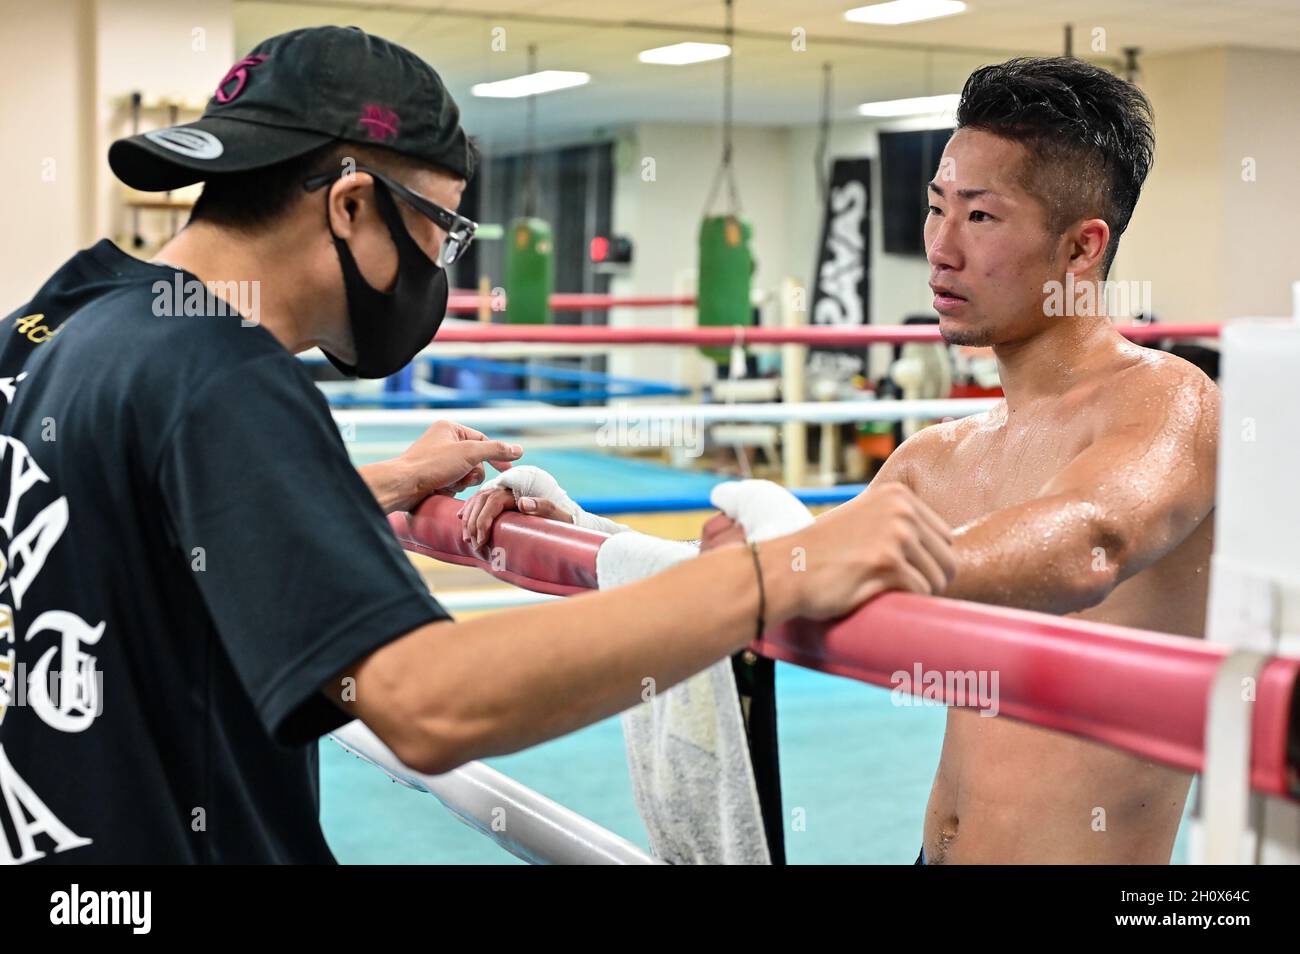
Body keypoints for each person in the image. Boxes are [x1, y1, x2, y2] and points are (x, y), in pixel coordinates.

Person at [0, 26, 955, 865]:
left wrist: (371, 484)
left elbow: (135, 519)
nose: (439, 267)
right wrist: (774, 576)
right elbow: (428, 705)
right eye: (440, 229)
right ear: (349, 205)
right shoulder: (225, 372)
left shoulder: (63, 326)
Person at [470, 57, 1219, 865]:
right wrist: (579, 534)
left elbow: (1089, 542)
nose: (940, 248)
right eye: (936, 209)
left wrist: (835, 564)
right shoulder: (941, 457)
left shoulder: (1170, 402)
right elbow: (773, 574)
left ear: (1081, 248)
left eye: (981, 218)